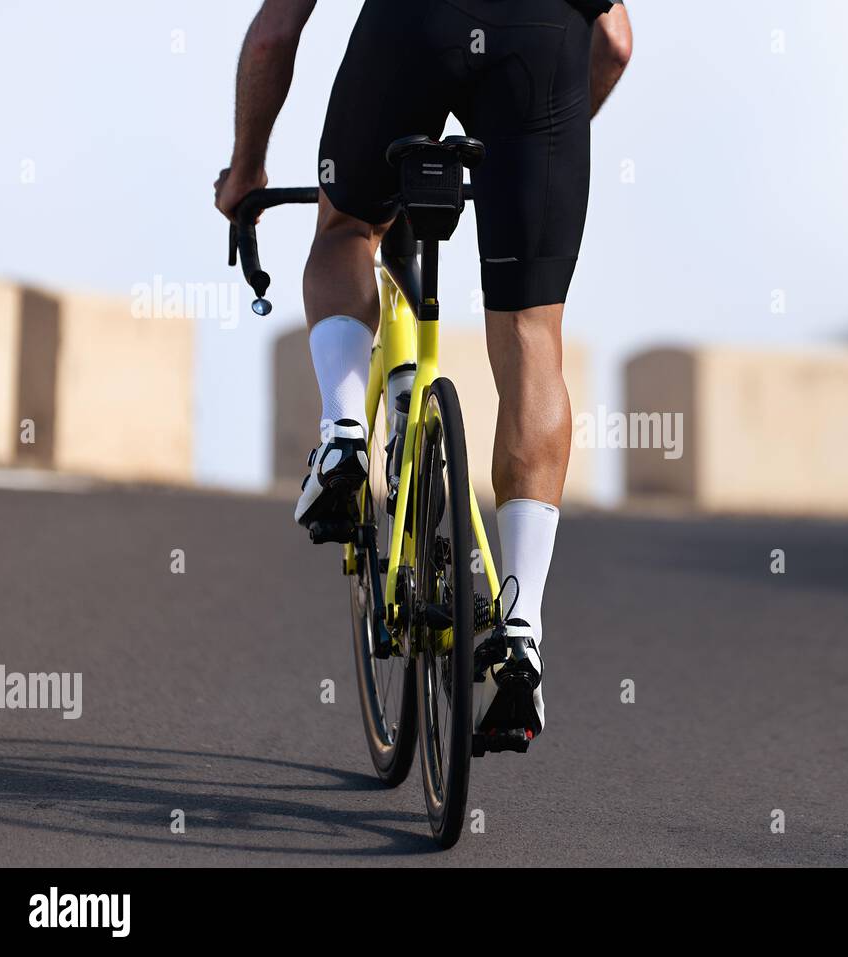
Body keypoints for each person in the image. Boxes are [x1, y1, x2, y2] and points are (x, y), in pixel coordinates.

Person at [215, 0, 632, 743]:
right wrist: (527, 165)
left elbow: (277, 28)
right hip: (543, 46)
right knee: (533, 333)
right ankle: (523, 627)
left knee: (345, 229)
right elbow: (617, 44)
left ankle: (343, 433)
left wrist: (246, 167)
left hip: (414, 26)